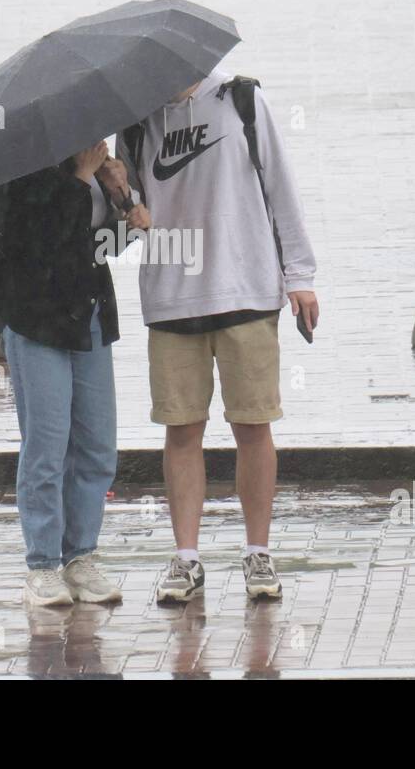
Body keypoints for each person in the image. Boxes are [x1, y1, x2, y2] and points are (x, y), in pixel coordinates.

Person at [110, 67, 319, 602]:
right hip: (171, 291)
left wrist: (301, 276)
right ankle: (186, 560)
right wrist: (116, 195)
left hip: (246, 285)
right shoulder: (136, 122)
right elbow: (119, 234)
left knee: (254, 425)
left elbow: (280, 185)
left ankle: (258, 554)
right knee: (181, 430)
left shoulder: (241, 100)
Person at [0, 141, 150, 607]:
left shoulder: (95, 171)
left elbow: (98, 250)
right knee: (47, 446)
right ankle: (42, 565)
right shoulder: (22, 170)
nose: (96, 141)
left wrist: (125, 203)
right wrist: (81, 181)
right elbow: (43, 248)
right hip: (35, 321)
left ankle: (80, 558)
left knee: (97, 445)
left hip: (89, 319)